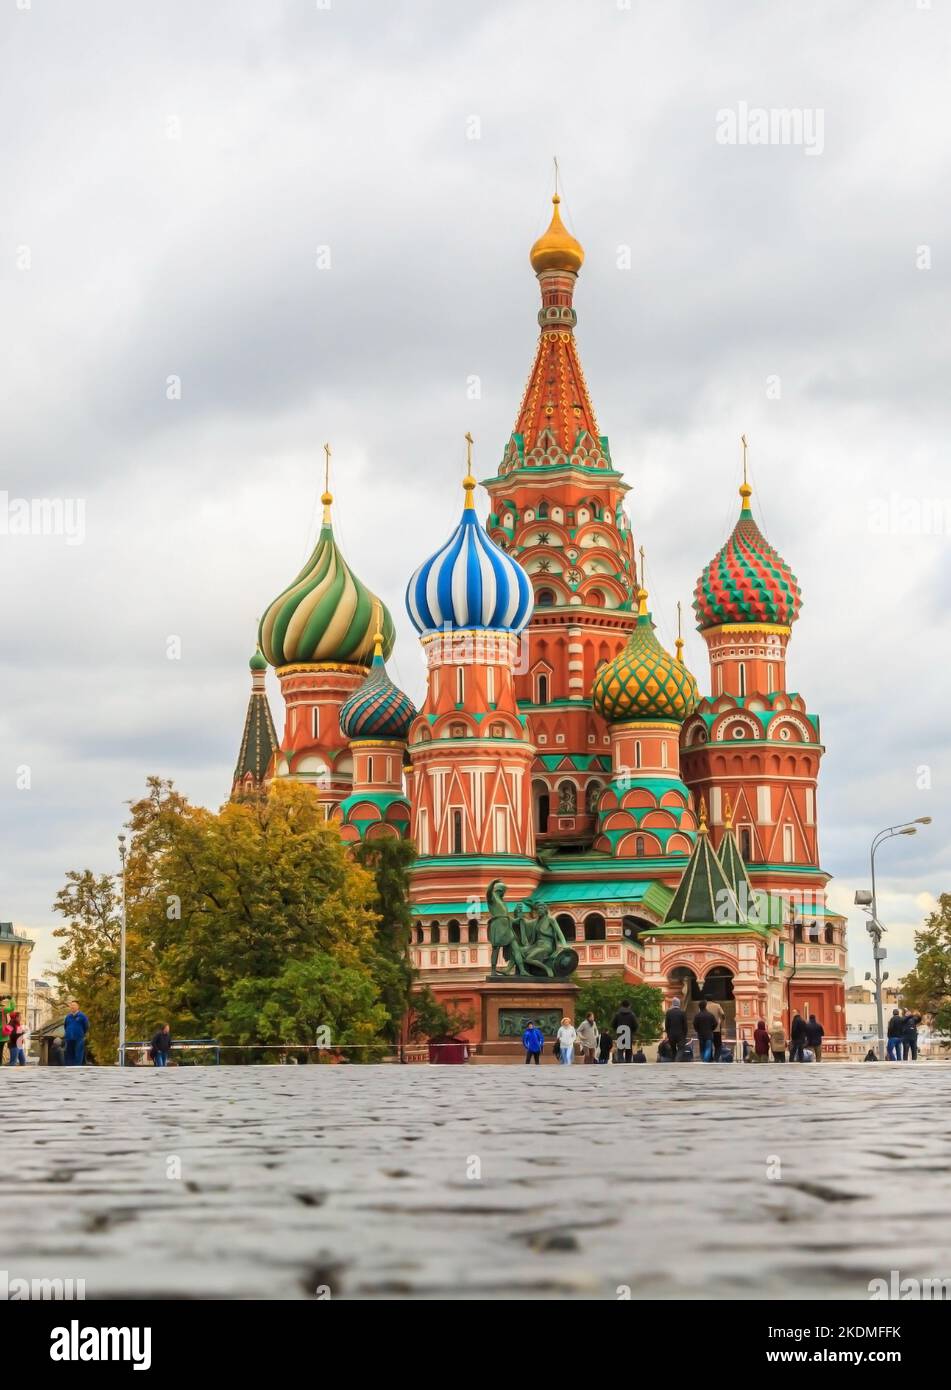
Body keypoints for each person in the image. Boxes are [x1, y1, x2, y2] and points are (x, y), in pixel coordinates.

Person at [63, 1000, 89, 1066]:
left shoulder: (82, 1016)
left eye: (74, 1005)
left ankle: (77, 1067)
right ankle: (69, 1067)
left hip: (79, 1038)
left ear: (78, 1006)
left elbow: (86, 1026)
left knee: (78, 1053)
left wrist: (82, 1033)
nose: (72, 1006)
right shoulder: (68, 1017)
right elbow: (65, 1026)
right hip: (69, 1038)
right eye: (71, 1005)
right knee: (69, 1053)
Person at [611, 999, 638, 1063]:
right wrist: (632, 1031)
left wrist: (617, 1030)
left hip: (620, 1034)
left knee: (620, 1051)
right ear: (629, 1006)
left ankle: (621, 1063)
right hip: (628, 1034)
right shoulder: (632, 1015)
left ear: (621, 1006)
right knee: (628, 1051)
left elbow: (613, 1024)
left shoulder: (617, 1014)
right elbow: (636, 1025)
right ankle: (628, 1064)